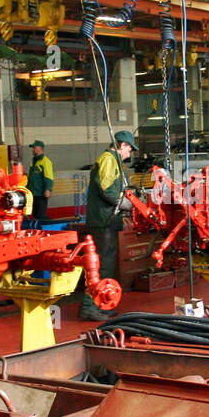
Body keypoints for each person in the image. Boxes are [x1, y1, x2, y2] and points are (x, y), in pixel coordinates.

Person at [78, 130, 135, 322]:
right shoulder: (109, 159)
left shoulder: (112, 160)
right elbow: (106, 188)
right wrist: (123, 202)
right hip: (103, 221)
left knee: (106, 265)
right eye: (129, 148)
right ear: (121, 145)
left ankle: (100, 303)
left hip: (106, 219)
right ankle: (89, 307)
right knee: (99, 265)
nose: (130, 153)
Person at [26, 140, 54, 225]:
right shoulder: (34, 161)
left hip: (41, 193)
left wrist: (48, 189)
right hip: (32, 192)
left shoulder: (45, 162)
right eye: (33, 148)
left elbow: (49, 176)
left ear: (40, 149)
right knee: (35, 214)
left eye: (34, 147)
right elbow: (31, 176)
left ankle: (50, 226)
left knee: (41, 215)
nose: (33, 149)